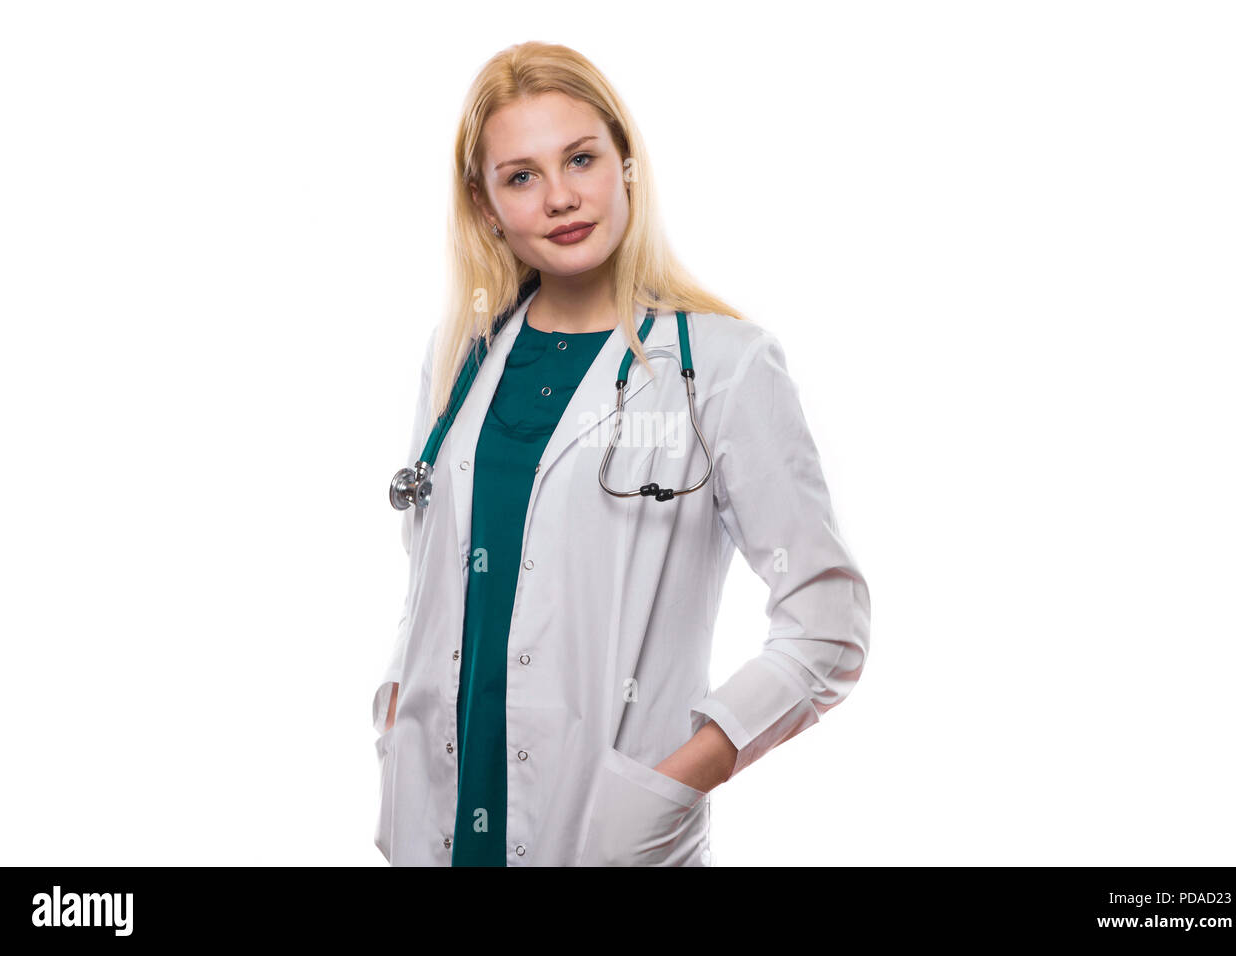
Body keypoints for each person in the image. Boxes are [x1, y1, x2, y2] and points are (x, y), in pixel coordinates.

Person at [372, 40, 870, 867]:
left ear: (626, 164)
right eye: (522, 176)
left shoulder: (720, 365)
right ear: (485, 203)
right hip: (440, 825)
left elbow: (828, 623)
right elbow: (440, 579)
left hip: (605, 835)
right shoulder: (459, 357)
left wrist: (673, 783)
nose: (562, 198)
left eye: (582, 159)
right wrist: (398, 715)